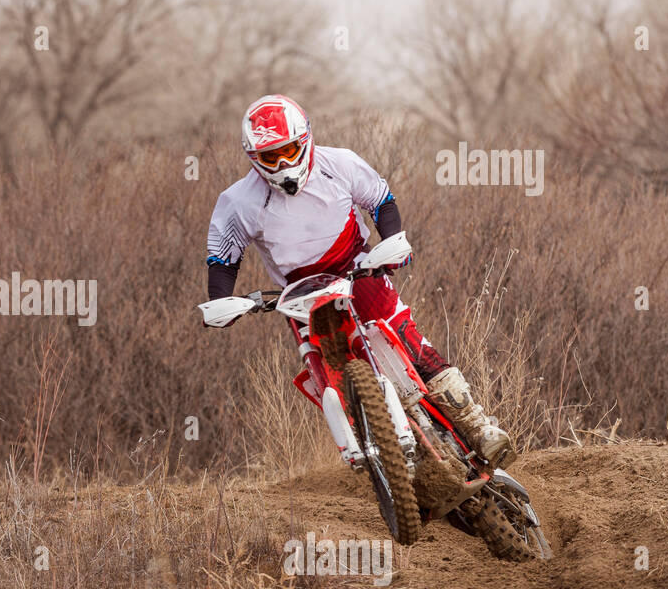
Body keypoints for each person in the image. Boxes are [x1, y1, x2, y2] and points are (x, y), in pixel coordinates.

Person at [204, 94, 514, 466]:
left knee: (405, 337)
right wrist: (222, 300)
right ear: (255, 159)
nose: (284, 164)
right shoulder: (238, 201)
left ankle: (479, 427)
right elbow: (223, 257)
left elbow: (382, 201)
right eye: (271, 157)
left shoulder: (340, 163)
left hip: (357, 269)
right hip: (300, 293)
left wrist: (393, 241)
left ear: (306, 140)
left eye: (289, 151)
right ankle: (370, 451)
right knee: (324, 364)